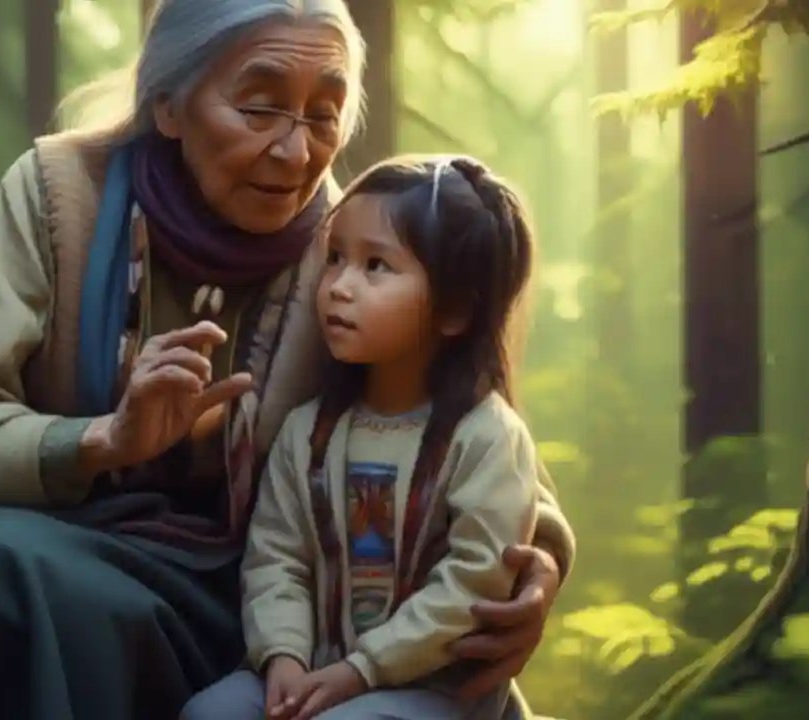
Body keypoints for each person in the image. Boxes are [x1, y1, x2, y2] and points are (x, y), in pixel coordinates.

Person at [0, 1, 577, 718]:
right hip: (55, 551)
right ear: (167, 104)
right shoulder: (58, 194)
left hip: (267, 608)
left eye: (324, 114)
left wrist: (536, 564)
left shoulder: (345, 249)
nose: (295, 148)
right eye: (260, 105)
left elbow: (471, 430)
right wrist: (100, 441)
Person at [182, 155, 543, 720]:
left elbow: (473, 582)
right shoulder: (308, 430)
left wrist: (363, 670)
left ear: (453, 309)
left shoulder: (486, 437)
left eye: (376, 266)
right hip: (318, 665)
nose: (338, 287)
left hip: (437, 685)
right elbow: (276, 556)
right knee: (212, 713)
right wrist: (283, 657)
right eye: (334, 259)